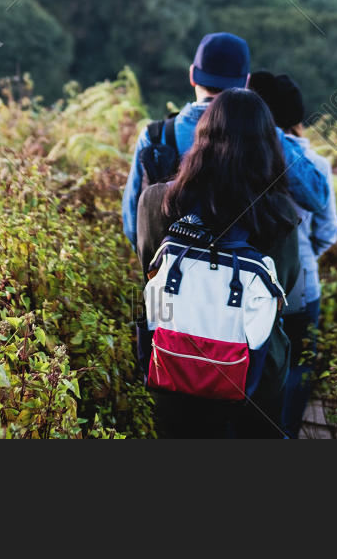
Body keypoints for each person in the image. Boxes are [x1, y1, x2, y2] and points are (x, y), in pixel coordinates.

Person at [135, 88, 301, 437]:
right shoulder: (278, 214)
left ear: (201, 135)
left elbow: (150, 272)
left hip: (171, 359)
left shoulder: (156, 202)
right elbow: (283, 286)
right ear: (267, 146)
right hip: (251, 373)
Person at [121, 32, 331, 251]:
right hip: (244, 278)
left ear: (192, 75)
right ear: (246, 82)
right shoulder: (265, 134)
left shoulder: (155, 135)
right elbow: (317, 196)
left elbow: (133, 224)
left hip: (173, 274)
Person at [248, 70, 337, 438]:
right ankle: (286, 431)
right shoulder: (315, 165)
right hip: (302, 284)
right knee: (301, 361)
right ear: (297, 118)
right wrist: (305, 257)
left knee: (260, 358)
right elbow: (328, 230)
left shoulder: (248, 161)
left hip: (257, 282)